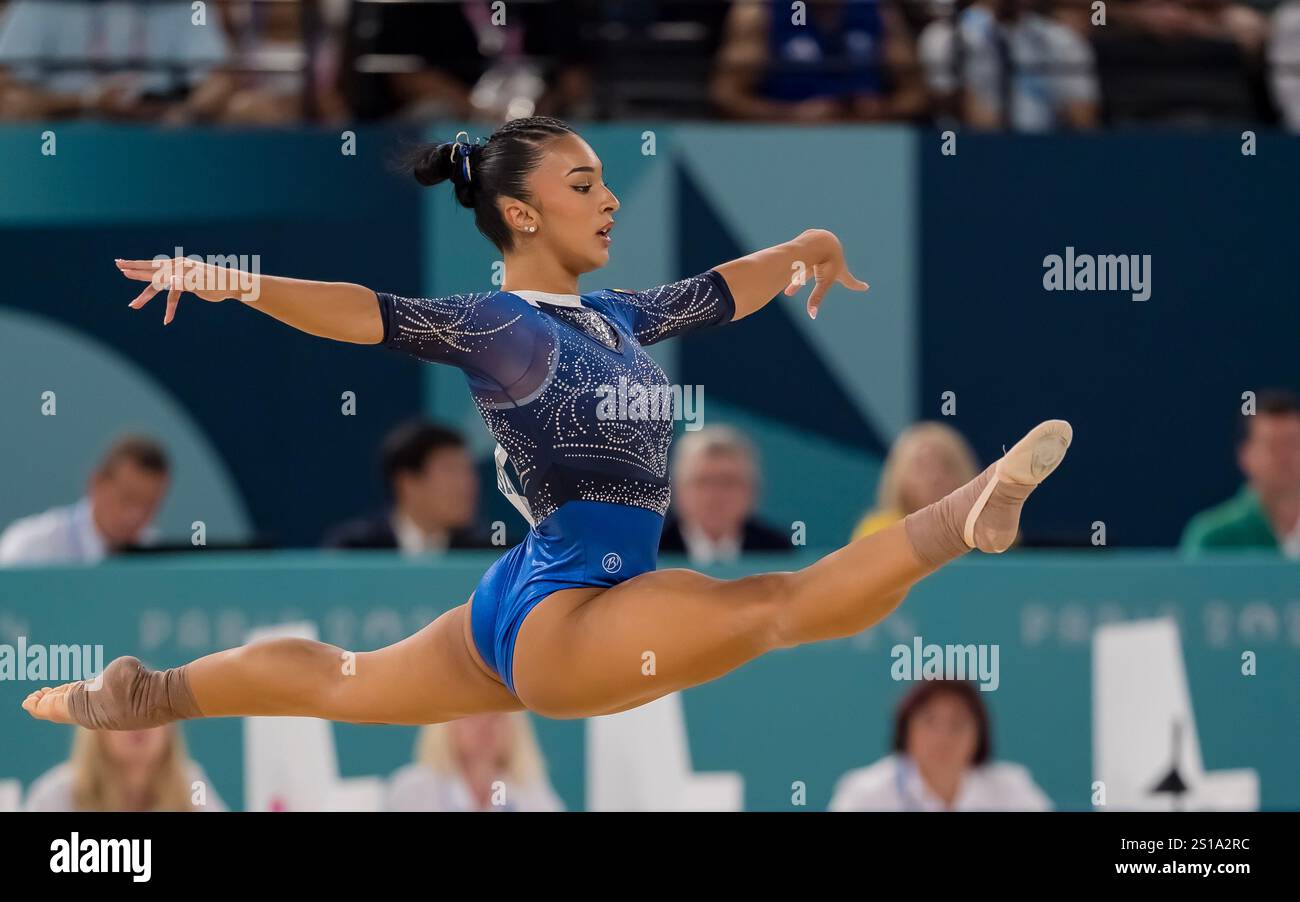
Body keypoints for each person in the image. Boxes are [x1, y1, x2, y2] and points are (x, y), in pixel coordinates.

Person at [22, 116, 1072, 734]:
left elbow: (726, 287)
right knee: (776, 603)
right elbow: (362, 311)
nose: (608, 199)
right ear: (520, 214)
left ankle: (145, 692)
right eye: (584, 186)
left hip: (518, 597)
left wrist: (811, 243)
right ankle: (958, 516)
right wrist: (231, 281)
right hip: (564, 613)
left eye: (609, 180)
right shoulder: (498, 324)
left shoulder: (619, 315)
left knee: (343, 677)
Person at [829, 679, 1050, 811]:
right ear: (906, 729)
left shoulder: (1012, 790)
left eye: (957, 724)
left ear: (979, 734)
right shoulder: (865, 794)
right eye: (930, 721)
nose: (943, 737)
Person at [0, 0, 233, 123]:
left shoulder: (190, 5)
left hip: (162, 132)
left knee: (250, 109)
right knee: (10, 106)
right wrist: (87, 101)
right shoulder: (35, 5)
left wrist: (185, 114)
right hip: (63, 131)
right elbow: (6, 86)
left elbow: (218, 78)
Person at [712, 0, 928, 123]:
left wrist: (883, 110)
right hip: (783, 143)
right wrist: (792, 115)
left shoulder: (880, 12)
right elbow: (726, 96)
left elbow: (916, 94)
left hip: (867, 141)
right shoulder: (758, 12)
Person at [917, 0, 1099, 131]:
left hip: (1050, 152)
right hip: (968, 154)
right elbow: (966, 115)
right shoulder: (945, 37)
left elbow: (1084, 120)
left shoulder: (1062, 40)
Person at [324, 420, 493, 553]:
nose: (467, 483)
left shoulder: (492, 554)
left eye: (468, 471)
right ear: (407, 483)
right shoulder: (355, 548)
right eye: (450, 471)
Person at [0, 435, 170, 566]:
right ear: (96, 483)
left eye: (150, 505)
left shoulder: (158, 557)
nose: (135, 515)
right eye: (127, 498)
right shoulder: (29, 546)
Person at [1181, 390, 1300, 556]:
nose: (1284, 457)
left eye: (1293, 443)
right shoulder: (1214, 538)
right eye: (1273, 446)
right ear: (1245, 455)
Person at [659, 426, 792, 563]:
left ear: (751, 490)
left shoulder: (775, 551)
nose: (715, 495)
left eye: (728, 482)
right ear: (678, 489)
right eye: (704, 482)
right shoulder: (654, 548)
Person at [383, 712, 563, 812]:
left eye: (497, 716)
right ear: (445, 723)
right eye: (473, 714)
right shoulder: (414, 790)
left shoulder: (530, 791)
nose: (485, 725)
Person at [23, 724, 225, 812]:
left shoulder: (192, 785)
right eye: (123, 713)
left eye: (152, 712)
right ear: (96, 726)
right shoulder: (55, 794)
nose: (138, 723)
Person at [852, 421, 979, 541]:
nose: (935, 477)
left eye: (947, 465)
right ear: (900, 478)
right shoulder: (878, 533)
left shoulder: (983, 532)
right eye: (923, 467)